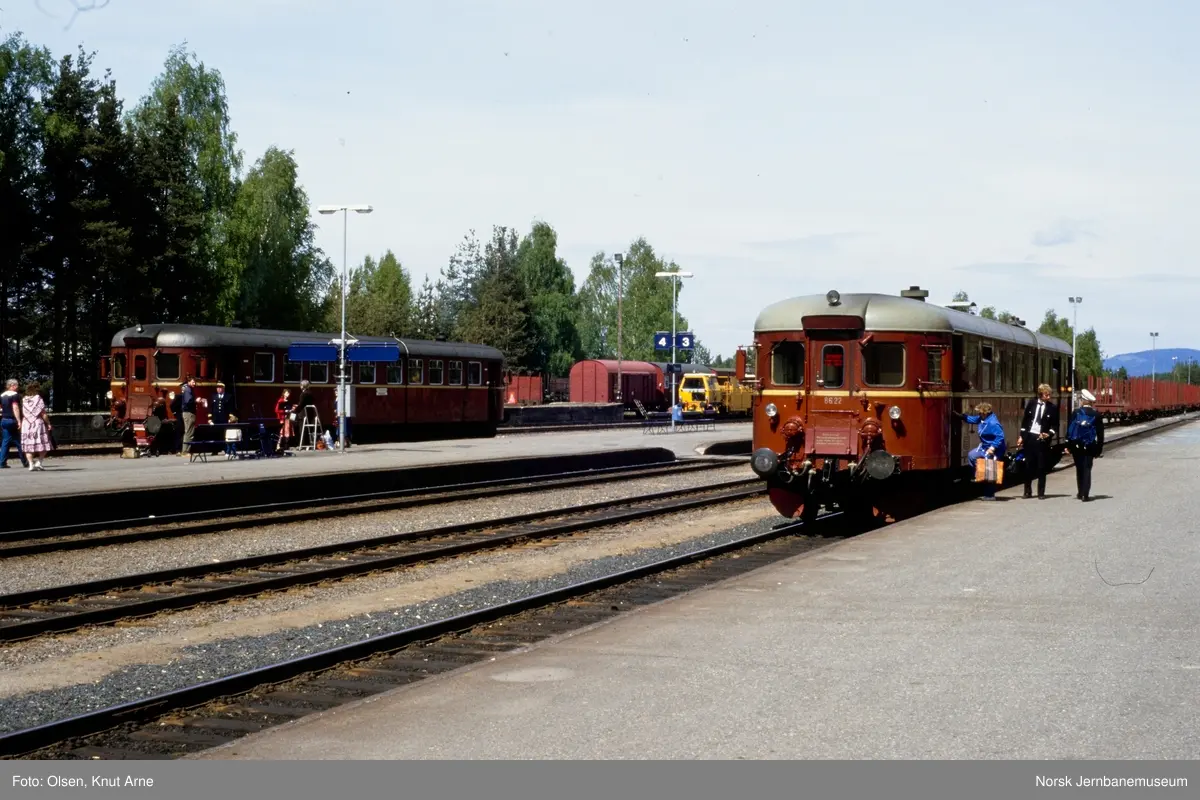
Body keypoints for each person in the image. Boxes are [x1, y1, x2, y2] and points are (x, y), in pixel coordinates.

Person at [955, 402, 1006, 500]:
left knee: (990, 470)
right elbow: (972, 419)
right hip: (985, 447)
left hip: (995, 449)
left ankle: (990, 495)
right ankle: (977, 475)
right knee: (972, 455)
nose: (978, 414)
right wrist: (961, 416)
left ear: (985, 413)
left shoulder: (993, 423)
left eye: (980, 412)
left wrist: (993, 448)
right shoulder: (982, 419)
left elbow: (1000, 436)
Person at [1018, 383, 1059, 499]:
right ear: (1040, 394)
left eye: (1049, 395)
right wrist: (1022, 436)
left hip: (1042, 439)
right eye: (1046, 395)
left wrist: (1048, 434)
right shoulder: (1031, 404)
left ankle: (1041, 492)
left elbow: (1055, 425)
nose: (1049, 397)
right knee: (1028, 466)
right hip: (1030, 437)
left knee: (1041, 466)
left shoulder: (1052, 408)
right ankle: (1027, 491)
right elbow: (1025, 422)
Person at [1066, 389, 1105, 502]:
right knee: (1087, 468)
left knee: (1079, 468)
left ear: (1082, 400)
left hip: (1076, 445)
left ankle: (1080, 492)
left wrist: (1068, 445)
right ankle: (1085, 494)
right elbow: (1100, 434)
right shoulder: (1096, 415)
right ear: (1091, 402)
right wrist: (1099, 449)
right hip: (1089, 445)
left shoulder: (1076, 412)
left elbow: (1070, 430)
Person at [20, 382, 52, 471]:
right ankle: (39, 462)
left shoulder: (24, 400)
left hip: (26, 424)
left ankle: (31, 465)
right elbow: (43, 413)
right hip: (37, 423)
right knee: (44, 443)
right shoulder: (39, 399)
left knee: (28, 446)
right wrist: (48, 423)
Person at [1, 379, 27, 469]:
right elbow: (15, 407)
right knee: (18, 441)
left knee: (5, 441)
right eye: (16, 385)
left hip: (4, 420)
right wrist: (19, 420)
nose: (18, 387)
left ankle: (2, 462)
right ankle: (25, 461)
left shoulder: (2, 395)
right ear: (12, 385)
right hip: (12, 420)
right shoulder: (15, 395)